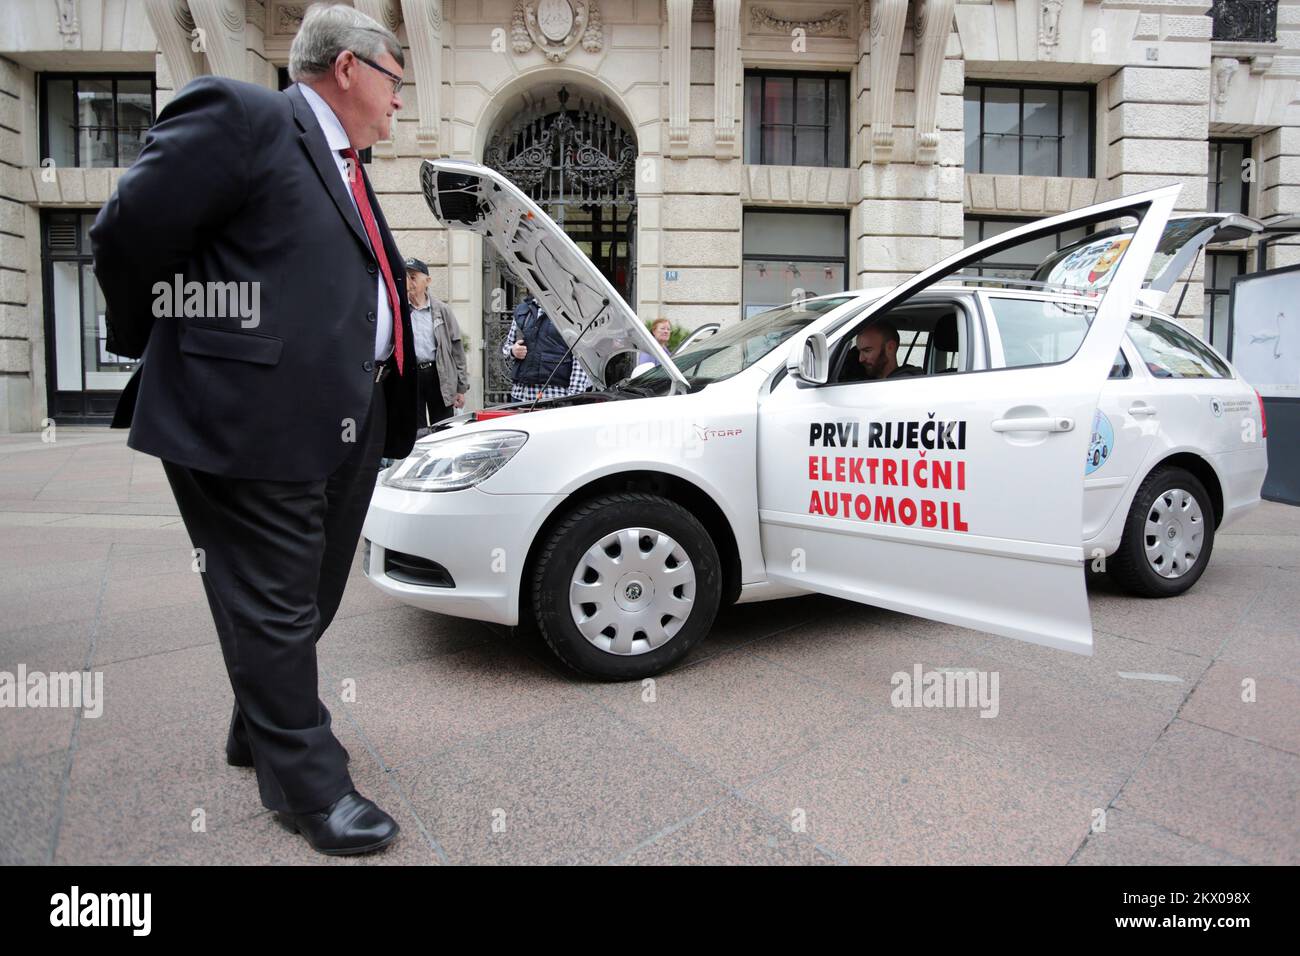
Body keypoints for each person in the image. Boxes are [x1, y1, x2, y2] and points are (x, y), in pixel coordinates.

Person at [89, 3, 418, 856]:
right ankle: (312, 786)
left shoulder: (346, 161)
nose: (400, 101)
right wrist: (171, 339)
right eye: (395, 79)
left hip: (349, 413)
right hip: (247, 414)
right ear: (348, 67)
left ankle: (258, 726)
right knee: (276, 601)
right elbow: (126, 231)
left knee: (312, 594)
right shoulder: (243, 117)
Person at [404, 257, 469, 428]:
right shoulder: (401, 310)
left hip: (439, 375)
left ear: (427, 280)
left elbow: (457, 348)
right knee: (415, 429)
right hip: (412, 375)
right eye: (406, 277)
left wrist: (461, 388)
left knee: (443, 427)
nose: (409, 282)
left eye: (413, 277)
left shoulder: (441, 310)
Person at [501, 293, 592, 401]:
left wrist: (573, 397)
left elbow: (580, 357)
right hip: (519, 397)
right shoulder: (522, 310)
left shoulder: (571, 312)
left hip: (554, 398)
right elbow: (506, 348)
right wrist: (513, 351)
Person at [855, 320, 925, 380]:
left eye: (867, 351)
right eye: (859, 352)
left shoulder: (905, 385)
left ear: (890, 347)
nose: (861, 359)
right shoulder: (869, 382)